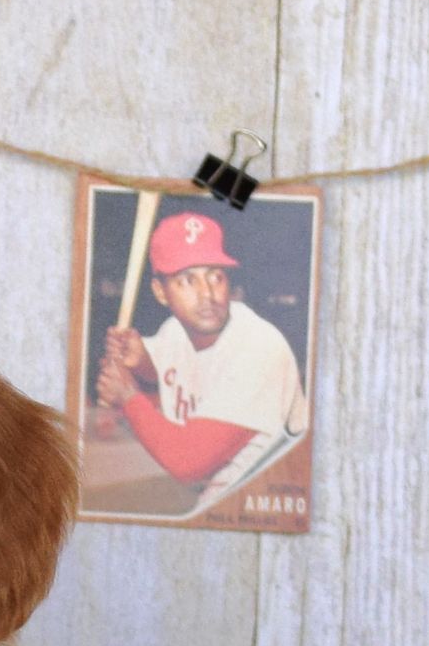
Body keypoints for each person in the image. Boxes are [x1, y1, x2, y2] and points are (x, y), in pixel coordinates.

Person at [95, 210, 306, 498]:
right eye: (187, 280)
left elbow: (187, 464)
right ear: (160, 291)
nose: (206, 294)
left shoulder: (260, 346)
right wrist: (140, 358)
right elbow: (167, 368)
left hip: (271, 497)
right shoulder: (177, 330)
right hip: (226, 492)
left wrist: (128, 396)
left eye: (215, 276)